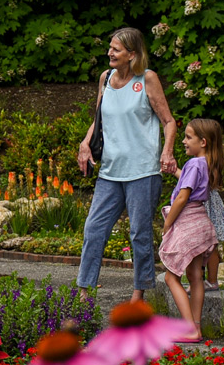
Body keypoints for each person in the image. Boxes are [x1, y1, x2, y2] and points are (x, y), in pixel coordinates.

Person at [76, 27, 178, 303]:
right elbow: (99, 118)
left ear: (132, 54)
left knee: (139, 234)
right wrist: (86, 144)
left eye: (116, 49)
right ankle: (84, 289)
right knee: (94, 228)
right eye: (110, 47)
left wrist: (167, 152)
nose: (110, 53)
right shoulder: (106, 78)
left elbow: (169, 121)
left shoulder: (147, 79)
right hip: (110, 170)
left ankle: (139, 293)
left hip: (143, 170)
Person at [158, 118, 224, 343]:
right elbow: (191, 186)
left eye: (188, 137)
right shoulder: (206, 163)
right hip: (201, 223)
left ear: (203, 142)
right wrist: (176, 170)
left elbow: (183, 197)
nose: (184, 141)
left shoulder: (195, 164)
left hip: (188, 223)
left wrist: (168, 224)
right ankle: (196, 328)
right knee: (196, 276)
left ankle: (188, 327)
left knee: (170, 277)